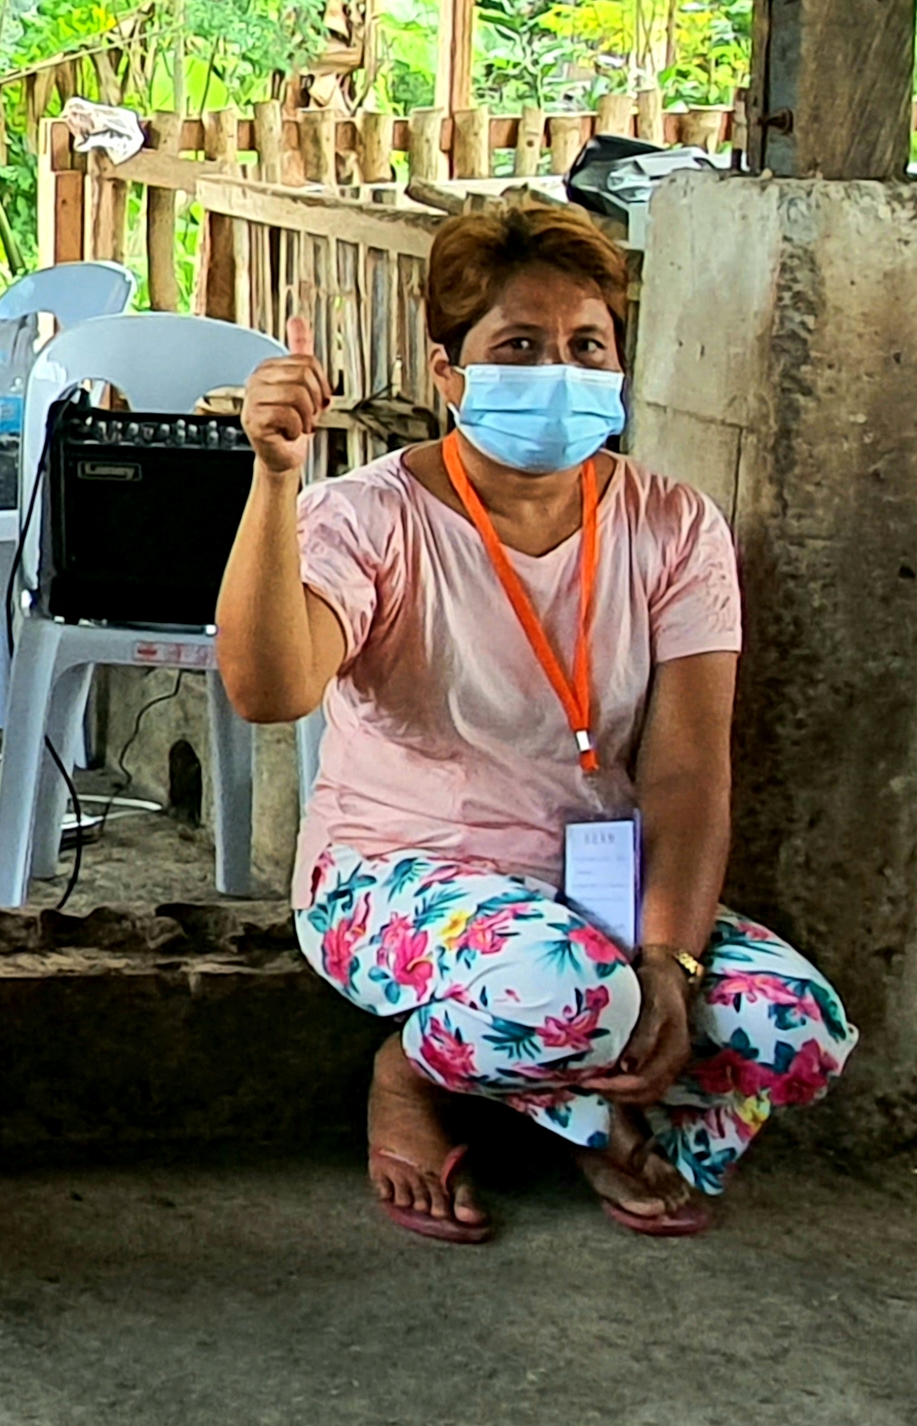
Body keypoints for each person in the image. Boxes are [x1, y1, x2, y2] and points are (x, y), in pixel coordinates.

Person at [216, 203, 850, 1243]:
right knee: (568, 986)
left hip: (594, 883)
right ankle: (416, 1074)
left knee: (797, 1027)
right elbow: (268, 688)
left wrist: (669, 961)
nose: (558, 368)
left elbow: (689, 775)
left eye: (585, 345)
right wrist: (275, 480)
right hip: (395, 869)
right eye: (518, 344)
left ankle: (592, 1107)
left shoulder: (673, 524)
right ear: (448, 372)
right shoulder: (371, 515)